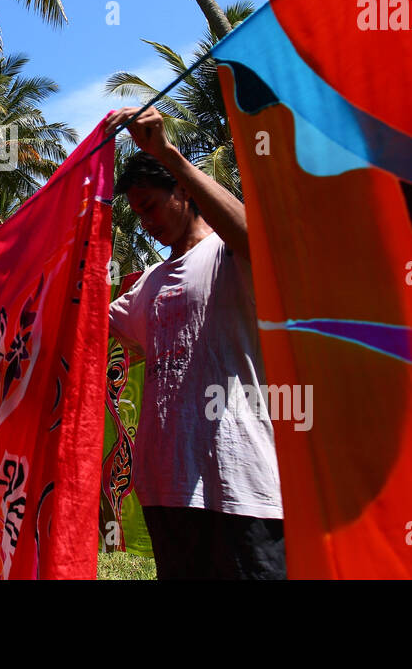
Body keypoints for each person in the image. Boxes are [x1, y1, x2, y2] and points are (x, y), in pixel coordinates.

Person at [103, 105, 285, 579]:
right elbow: (83, 324)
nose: (144, 222)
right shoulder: (147, 284)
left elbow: (255, 236)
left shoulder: (229, 254)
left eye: (150, 206)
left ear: (182, 190)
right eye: (136, 212)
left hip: (239, 489)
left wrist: (168, 153)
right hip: (166, 490)